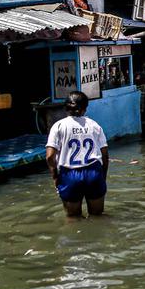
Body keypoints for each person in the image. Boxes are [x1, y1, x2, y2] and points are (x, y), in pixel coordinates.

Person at [45, 91, 109, 219]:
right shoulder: (94, 126)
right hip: (93, 173)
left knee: (73, 219)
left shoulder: (58, 126)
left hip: (69, 175)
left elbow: (50, 157)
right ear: (85, 108)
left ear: (66, 108)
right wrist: (102, 176)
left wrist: (55, 176)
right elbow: (105, 156)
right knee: (97, 216)